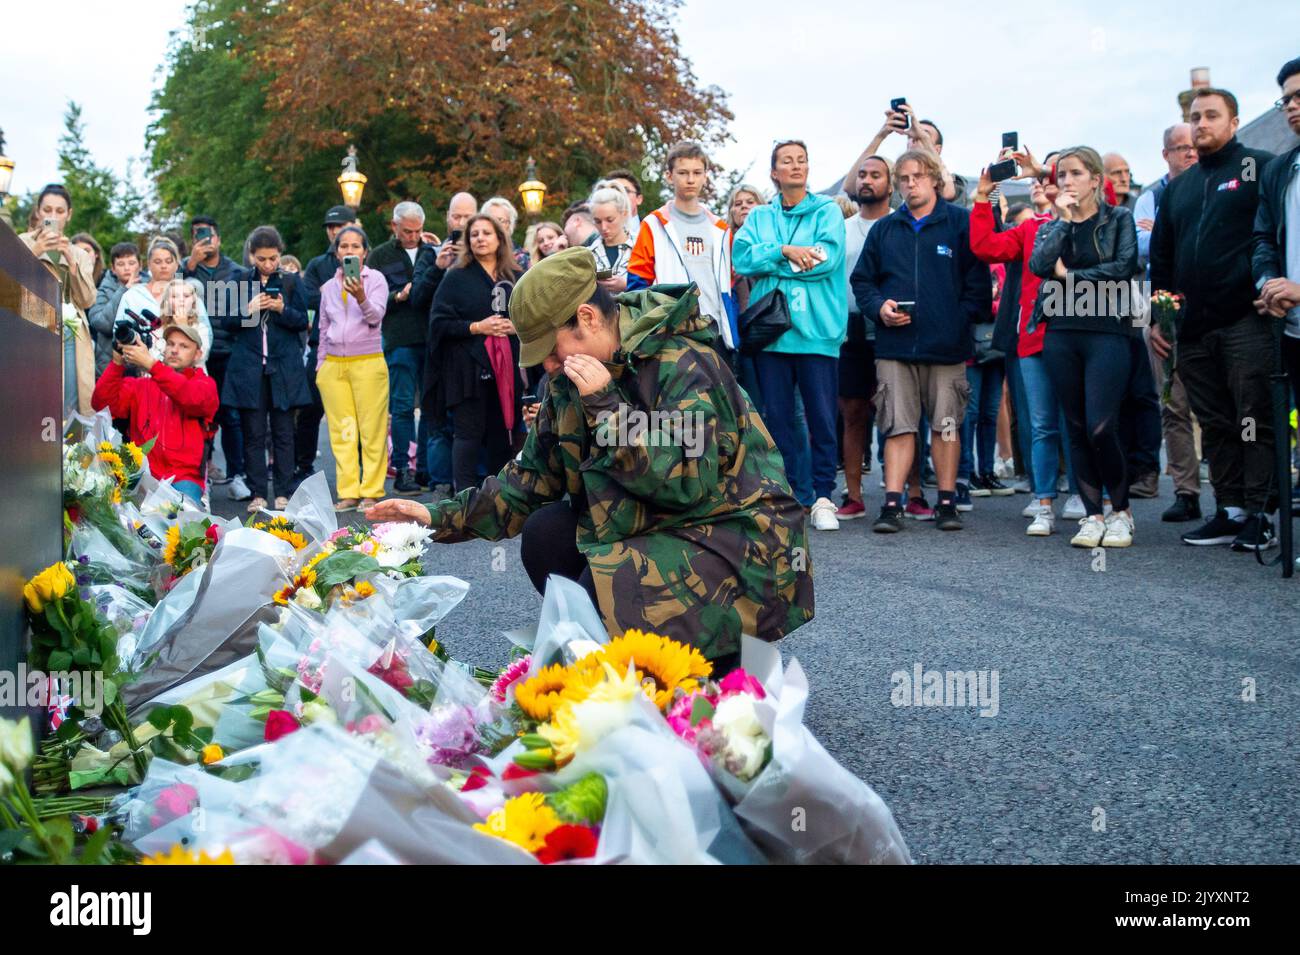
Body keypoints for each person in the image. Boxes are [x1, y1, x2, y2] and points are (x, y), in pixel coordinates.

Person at [365, 245, 814, 670]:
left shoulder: (684, 361)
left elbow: (685, 484)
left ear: (586, 317)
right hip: (661, 525)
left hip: (737, 540)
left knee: (604, 595)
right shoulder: (569, 380)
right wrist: (434, 515)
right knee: (547, 533)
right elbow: (527, 482)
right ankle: (631, 659)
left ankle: (711, 662)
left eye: (551, 350)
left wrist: (607, 407)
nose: (549, 367)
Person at [1150, 87, 1278, 552]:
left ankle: (1262, 515)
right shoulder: (1179, 187)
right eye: (1195, 116)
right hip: (1192, 328)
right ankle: (1231, 510)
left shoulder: (1261, 167)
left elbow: (1279, 233)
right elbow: (1161, 260)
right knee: (1217, 421)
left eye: (1211, 116)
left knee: (1253, 417)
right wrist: (1159, 319)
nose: (1201, 124)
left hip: (1247, 320)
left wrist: (1272, 285)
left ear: (1234, 121)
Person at [852, 149, 991, 534]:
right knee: (897, 426)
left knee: (947, 426)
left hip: (947, 348)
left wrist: (954, 320)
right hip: (895, 347)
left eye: (917, 176)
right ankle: (893, 505)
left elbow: (978, 287)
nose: (910, 184)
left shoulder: (960, 224)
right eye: (904, 179)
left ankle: (947, 502)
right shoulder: (884, 229)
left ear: (933, 179)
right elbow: (862, 282)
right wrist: (880, 308)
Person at [1029, 146, 1140, 548]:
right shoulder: (1053, 223)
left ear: (1096, 179)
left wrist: (1071, 275)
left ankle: (1121, 511)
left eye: (1075, 174)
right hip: (1061, 330)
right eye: (1061, 176)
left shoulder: (1119, 218)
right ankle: (1093, 515)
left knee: (1101, 425)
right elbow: (1040, 266)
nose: (1066, 182)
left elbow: (1124, 267)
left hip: (1107, 331)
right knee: (1074, 426)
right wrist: (1062, 220)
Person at [734, 140, 847, 531]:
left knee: (820, 419)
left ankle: (822, 497)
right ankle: (789, 495)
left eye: (801, 160)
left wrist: (774, 261)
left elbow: (824, 259)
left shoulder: (828, 210)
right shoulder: (761, 215)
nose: (796, 166)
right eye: (787, 161)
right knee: (777, 419)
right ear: (774, 172)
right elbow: (741, 256)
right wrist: (784, 250)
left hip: (817, 331)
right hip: (773, 334)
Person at [970, 151, 1066, 536]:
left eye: (1054, 176)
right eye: (1043, 178)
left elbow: (1094, 192)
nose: (1043, 182)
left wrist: (1042, 169)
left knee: (1076, 421)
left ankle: (1086, 495)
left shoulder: (1092, 222)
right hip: (1033, 337)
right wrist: (982, 198)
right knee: (1041, 423)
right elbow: (985, 247)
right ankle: (1043, 500)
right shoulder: (1031, 228)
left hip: (1079, 334)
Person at [1134, 124, 1203, 522]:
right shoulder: (1153, 195)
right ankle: (1186, 491)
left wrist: (1160, 230)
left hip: (1214, 310)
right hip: (1161, 309)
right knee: (1173, 405)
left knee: (1219, 406)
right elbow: (1142, 246)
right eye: (1180, 149)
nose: (1189, 154)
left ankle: (1240, 498)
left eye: (1192, 148)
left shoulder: (1218, 184)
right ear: (1166, 155)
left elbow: (1157, 238)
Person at [427, 213, 522, 492]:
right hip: (467, 368)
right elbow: (439, 323)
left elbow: (535, 318)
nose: (480, 238)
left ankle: (501, 496)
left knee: (503, 432)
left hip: (507, 368)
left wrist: (515, 328)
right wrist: (478, 326)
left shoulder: (515, 276)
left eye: (486, 233)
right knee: (467, 434)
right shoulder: (455, 277)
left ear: (499, 238)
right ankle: (465, 497)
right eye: (475, 234)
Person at [221, 225, 311, 513]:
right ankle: (258, 492)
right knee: (253, 432)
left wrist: (282, 309)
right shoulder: (238, 281)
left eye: (273, 258)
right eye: (262, 259)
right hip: (250, 367)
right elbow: (227, 323)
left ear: (280, 254)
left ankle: (284, 491)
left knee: (285, 431)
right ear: (251, 256)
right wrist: (250, 309)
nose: (268, 264)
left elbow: (302, 322)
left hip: (283, 366)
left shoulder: (292, 282)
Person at [627, 142, 739, 358]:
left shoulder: (721, 229)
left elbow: (730, 285)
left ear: (705, 176)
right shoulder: (654, 224)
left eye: (697, 172)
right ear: (669, 176)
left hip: (715, 330)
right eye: (683, 172)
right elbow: (638, 282)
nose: (690, 179)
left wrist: (731, 329)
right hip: (672, 332)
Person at [91, 324, 218, 507]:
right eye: (171, 344)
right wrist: (117, 363)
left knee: (184, 527)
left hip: (184, 478)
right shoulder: (140, 385)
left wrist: (151, 364)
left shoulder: (205, 384)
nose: (175, 350)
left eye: (184, 346)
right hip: (142, 477)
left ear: (198, 354)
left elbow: (189, 397)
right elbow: (101, 404)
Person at [1250, 56, 1300, 510]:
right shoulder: (1279, 169)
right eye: (1286, 99)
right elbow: (1264, 237)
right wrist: (1269, 284)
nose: (1292, 106)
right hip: (1292, 328)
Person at [316, 225, 391, 511]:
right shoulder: (328, 287)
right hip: (334, 365)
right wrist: (321, 366)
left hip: (368, 361)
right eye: (344, 246)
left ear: (365, 252)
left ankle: (371, 490)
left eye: (355, 246)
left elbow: (376, 317)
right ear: (336, 253)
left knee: (372, 429)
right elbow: (323, 328)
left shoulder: (377, 280)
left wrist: (360, 294)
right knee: (342, 431)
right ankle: (348, 491)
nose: (350, 251)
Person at [368, 201, 440, 495]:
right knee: (402, 407)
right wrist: (397, 296)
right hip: (399, 338)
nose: (412, 236)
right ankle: (403, 470)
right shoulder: (379, 256)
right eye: (407, 230)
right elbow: (370, 302)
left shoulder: (431, 251)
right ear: (394, 226)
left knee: (430, 405)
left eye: (417, 230)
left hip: (430, 336)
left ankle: (424, 468)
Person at [836, 155, 891, 520]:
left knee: (897, 413)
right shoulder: (841, 227)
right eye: (862, 174)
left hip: (893, 326)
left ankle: (908, 493)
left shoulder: (901, 225)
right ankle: (853, 496)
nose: (867, 180)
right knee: (853, 413)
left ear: (891, 182)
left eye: (876, 175)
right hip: (850, 327)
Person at [415, 192, 478, 495]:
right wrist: (438, 267)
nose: (461, 223)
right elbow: (416, 299)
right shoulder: (431, 254)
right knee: (436, 413)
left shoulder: (483, 255)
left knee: (470, 417)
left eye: (468, 216)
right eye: (456, 216)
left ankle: (471, 480)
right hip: (439, 346)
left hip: (471, 347)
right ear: (447, 218)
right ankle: (439, 480)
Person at [19, 184, 97, 415]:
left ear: (69, 215)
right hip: (30, 333)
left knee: (69, 408)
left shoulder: (79, 253)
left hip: (69, 334)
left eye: (60, 211)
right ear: (38, 211)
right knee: (32, 405)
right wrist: (35, 251)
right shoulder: (20, 243)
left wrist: (71, 262)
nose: (53, 216)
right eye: (48, 210)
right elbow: (7, 290)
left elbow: (87, 300)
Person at [296, 205, 357, 489]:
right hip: (322, 345)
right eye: (331, 228)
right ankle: (303, 466)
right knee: (310, 408)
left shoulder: (365, 262)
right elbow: (306, 297)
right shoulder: (317, 265)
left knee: (356, 413)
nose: (335, 231)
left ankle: (358, 472)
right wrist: (330, 290)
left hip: (358, 349)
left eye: (340, 225)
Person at [182, 216, 245, 492]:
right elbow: (170, 299)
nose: (205, 240)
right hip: (195, 353)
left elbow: (247, 317)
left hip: (229, 351)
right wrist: (191, 265)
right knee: (199, 415)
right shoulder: (186, 269)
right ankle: (202, 469)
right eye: (198, 236)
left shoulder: (237, 272)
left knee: (230, 414)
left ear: (218, 239)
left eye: (209, 235)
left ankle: (237, 474)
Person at [842, 107, 968, 209]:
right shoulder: (893, 182)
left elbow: (948, 193)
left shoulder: (954, 181)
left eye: (924, 134)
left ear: (937, 149)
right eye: (912, 136)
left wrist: (923, 138)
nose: (916, 136)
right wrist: (881, 135)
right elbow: (850, 188)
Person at [88, 242, 144, 377]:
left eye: (131, 263)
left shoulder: (148, 288)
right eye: (120, 264)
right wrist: (124, 290)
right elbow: (102, 324)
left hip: (142, 364)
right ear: (113, 268)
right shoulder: (103, 291)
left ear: (140, 266)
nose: (127, 268)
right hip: (110, 364)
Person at [152, 279, 212, 369]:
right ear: (167, 302)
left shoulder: (201, 328)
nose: (181, 300)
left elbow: (201, 357)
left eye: (186, 296)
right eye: (175, 296)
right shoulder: (157, 328)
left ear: (193, 302)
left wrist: (184, 327)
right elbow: (153, 357)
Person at [589, 186, 633, 285]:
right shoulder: (587, 254)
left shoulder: (642, 248)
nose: (603, 227)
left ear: (624, 214)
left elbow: (658, 287)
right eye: (598, 221)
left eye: (610, 220)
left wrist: (627, 285)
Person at [481, 196, 529, 271]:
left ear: (510, 225)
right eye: (490, 219)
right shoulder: (475, 253)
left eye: (500, 220)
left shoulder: (520, 258)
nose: (495, 224)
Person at [604, 167, 645, 238]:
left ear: (639, 199)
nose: (620, 196)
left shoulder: (655, 231)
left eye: (626, 191)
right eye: (614, 192)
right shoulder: (595, 236)